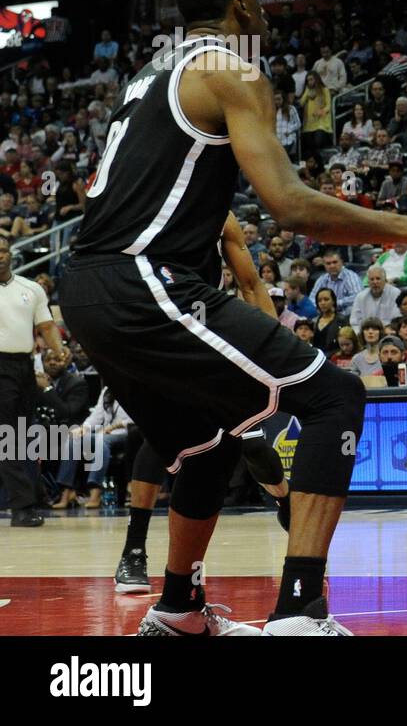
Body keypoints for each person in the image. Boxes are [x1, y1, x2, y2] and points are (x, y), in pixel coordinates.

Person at [59, 0, 407, 636]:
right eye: (261, 3)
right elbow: (290, 206)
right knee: (335, 396)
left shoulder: (148, 75)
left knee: (206, 439)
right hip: (144, 278)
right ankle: (301, 613)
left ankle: (177, 609)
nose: (268, 16)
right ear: (243, 8)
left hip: (89, 289)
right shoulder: (232, 68)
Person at [113, 211, 297, 593]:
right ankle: (133, 550)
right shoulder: (146, 202)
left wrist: (276, 349)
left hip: (209, 330)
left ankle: (285, 501)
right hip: (157, 326)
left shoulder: (220, 216)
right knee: (152, 437)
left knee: (253, 444)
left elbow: (249, 282)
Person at [0, 237, 66, 527]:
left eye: (2, 250)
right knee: (7, 435)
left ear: (10, 254)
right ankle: (23, 505)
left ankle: (32, 497)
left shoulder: (32, 288)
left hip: (23, 366)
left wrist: (60, 351)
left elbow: (47, 326)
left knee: (24, 435)